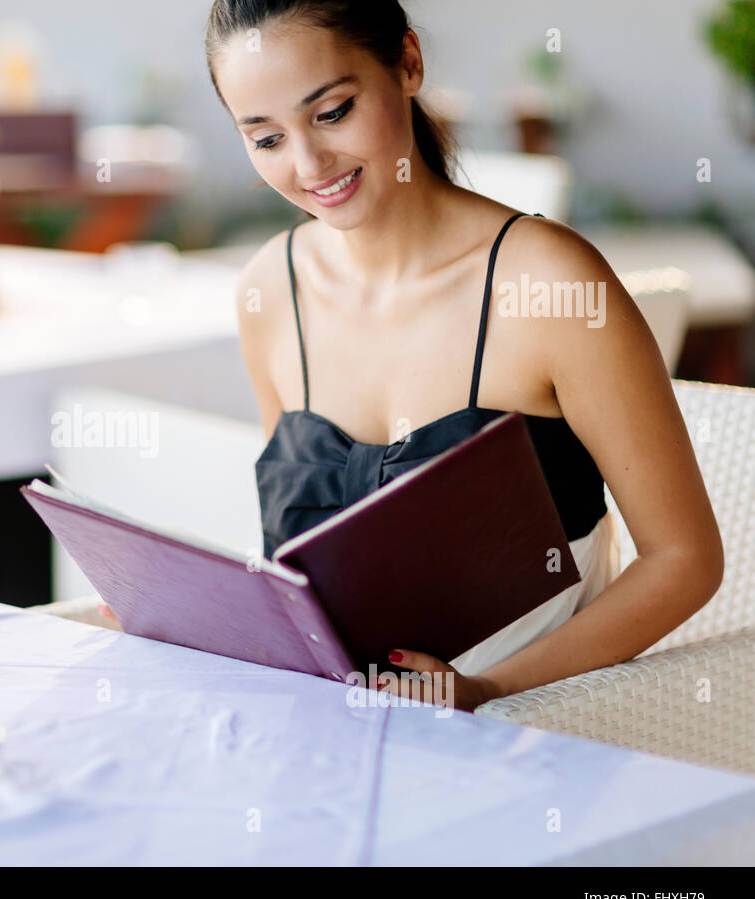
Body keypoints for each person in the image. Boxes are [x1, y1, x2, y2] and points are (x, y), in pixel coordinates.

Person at [167, 0, 721, 710]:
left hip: (522, 742)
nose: (309, 164)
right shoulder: (269, 291)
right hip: (320, 736)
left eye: (332, 111)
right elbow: (300, 571)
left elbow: (685, 562)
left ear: (407, 63)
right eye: (266, 138)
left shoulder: (549, 283)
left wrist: (487, 691)